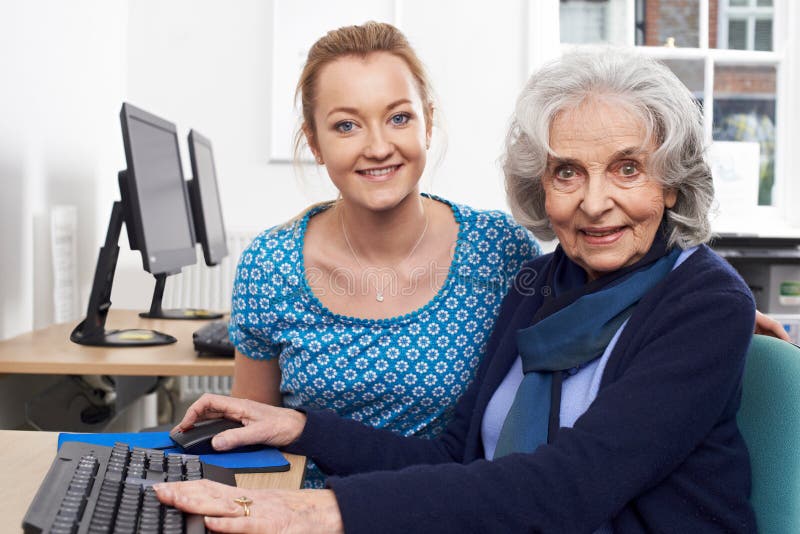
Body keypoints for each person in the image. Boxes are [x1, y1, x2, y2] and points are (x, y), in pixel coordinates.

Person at [155, 47, 764, 533]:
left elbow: (568, 487)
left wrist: (323, 510)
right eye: (567, 172)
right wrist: (300, 428)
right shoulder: (540, 282)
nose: (595, 201)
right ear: (540, 185)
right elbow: (458, 458)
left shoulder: (703, 304)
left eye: (628, 169)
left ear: (672, 182)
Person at [228, 21, 540, 487]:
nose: (378, 147)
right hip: (309, 512)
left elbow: (525, 432)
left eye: (399, 118)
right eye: (346, 126)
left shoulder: (501, 251)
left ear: (427, 124)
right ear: (314, 143)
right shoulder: (269, 266)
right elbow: (249, 443)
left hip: (449, 507)